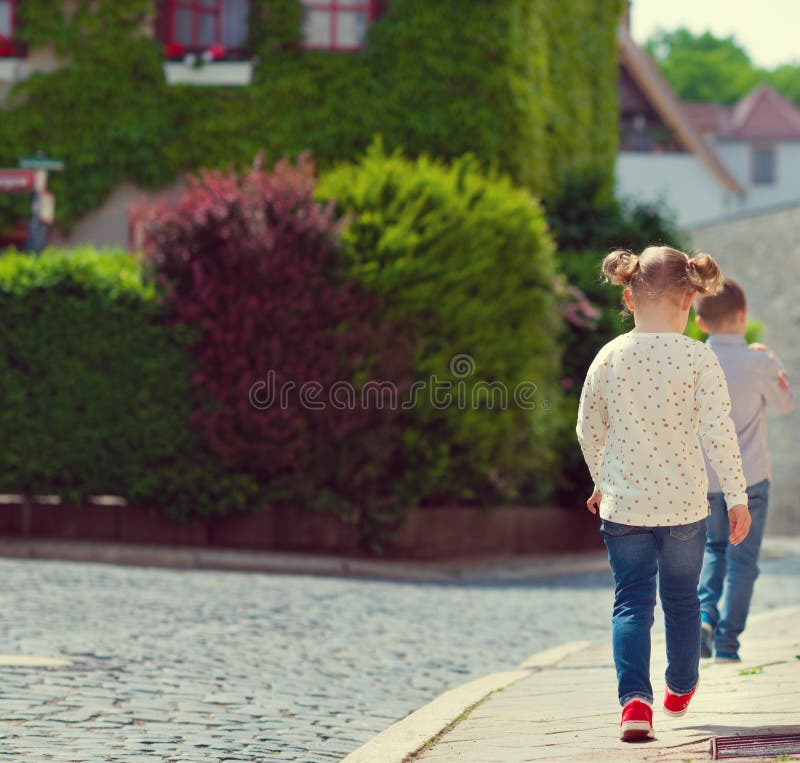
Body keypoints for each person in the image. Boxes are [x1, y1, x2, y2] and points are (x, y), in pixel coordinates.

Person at [576, 246, 751, 742]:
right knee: (681, 600)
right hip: (684, 508)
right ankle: (681, 683)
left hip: (624, 505)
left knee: (631, 602)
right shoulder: (699, 358)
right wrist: (736, 497)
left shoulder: (609, 355)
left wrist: (600, 480)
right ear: (690, 304)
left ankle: (634, 703)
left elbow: (589, 429)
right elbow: (720, 434)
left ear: (629, 297)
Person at [694, 278, 794, 663]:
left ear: (701, 324)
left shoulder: (695, 359)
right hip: (750, 480)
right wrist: (775, 360)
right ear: (743, 316)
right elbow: (785, 403)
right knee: (743, 561)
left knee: (713, 550)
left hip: (707, 480)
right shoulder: (759, 362)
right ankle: (728, 644)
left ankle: (704, 616)